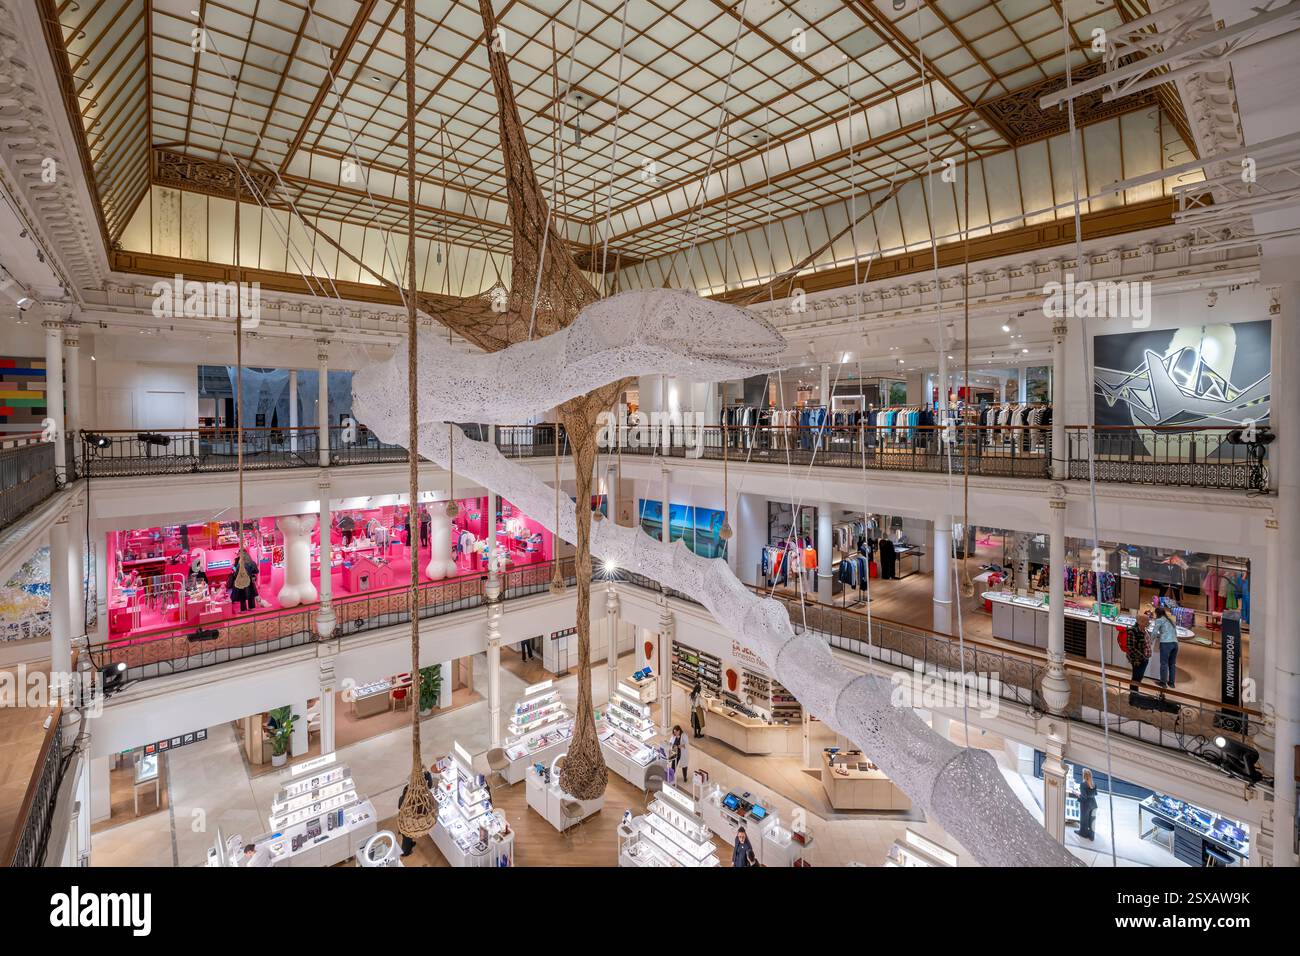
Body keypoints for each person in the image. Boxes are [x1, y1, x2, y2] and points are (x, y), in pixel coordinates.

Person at [398, 769, 435, 857]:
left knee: (407, 837)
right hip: (408, 821)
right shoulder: (410, 798)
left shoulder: (406, 792)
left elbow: (400, 805)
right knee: (406, 837)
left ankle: (409, 845)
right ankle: (405, 852)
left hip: (408, 819)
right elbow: (429, 785)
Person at [1150, 605, 1179, 689]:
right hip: (1175, 643)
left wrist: (1150, 641)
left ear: (1157, 613)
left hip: (1166, 644)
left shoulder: (1159, 620)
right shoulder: (1170, 620)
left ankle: (1163, 683)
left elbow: (1155, 632)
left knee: (1164, 663)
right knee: (1172, 664)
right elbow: (1175, 633)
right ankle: (1171, 683)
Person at [1126, 614, 1152, 698]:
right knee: (1136, 679)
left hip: (1144, 659)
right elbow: (1131, 647)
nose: (1148, 622)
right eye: (1147, 621)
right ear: (1140, 622)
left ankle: (1135, 695)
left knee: (1139, 678)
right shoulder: (1132, 631)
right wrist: (1143, 656)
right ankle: (1133, 696)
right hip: (1138, 660)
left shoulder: (1143, 629)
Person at [1077, 768, 1098, 841]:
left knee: (1084, 819)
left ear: (1084, 775)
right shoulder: (1094, 784)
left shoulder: (1083, 784)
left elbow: (1084, 797)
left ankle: (1083, 833)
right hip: (1094, 804)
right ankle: (1091, 836)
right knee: (1092, 821)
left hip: (1086, 805)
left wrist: (1078, 795)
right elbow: (1095, 794)